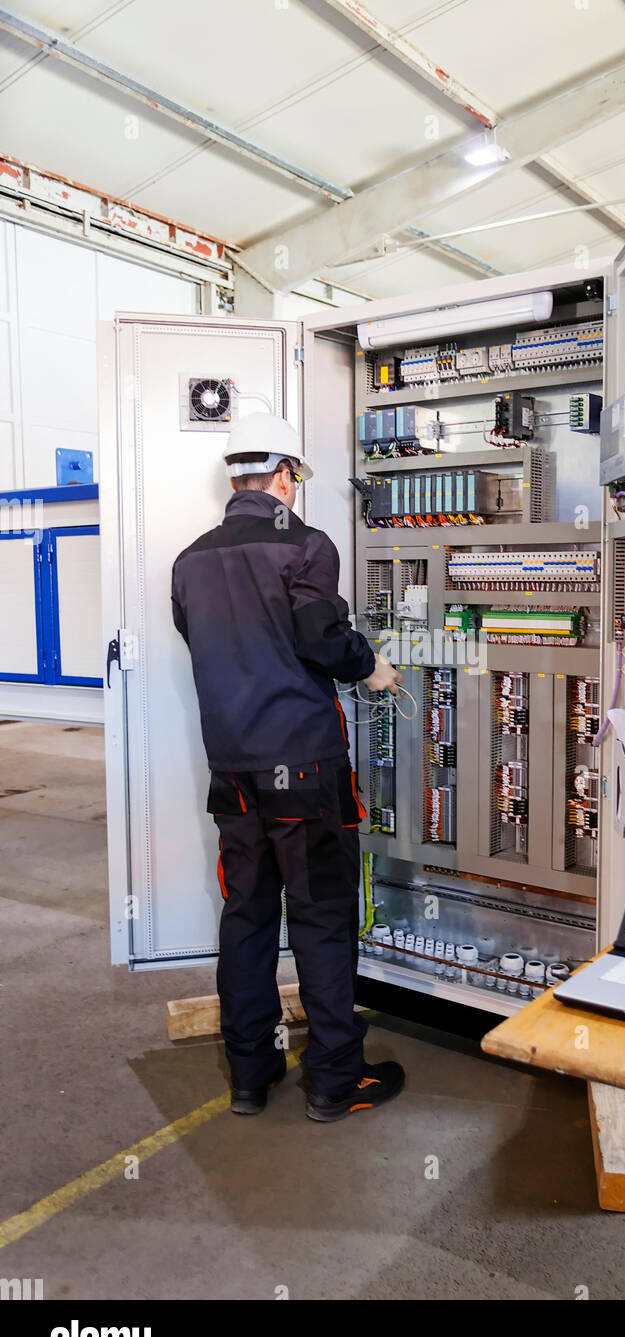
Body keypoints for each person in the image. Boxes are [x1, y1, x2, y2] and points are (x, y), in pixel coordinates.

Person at [170, 413, 404, 1122]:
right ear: (284, 476)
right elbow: (319, 636)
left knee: (246, 917)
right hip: (303, 766)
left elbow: (203, 640)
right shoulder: (304, 546)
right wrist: (372, 669)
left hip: (234, 774)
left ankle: (251, 1074)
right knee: (321, 918)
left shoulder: (191, 560)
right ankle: (335, 1080)